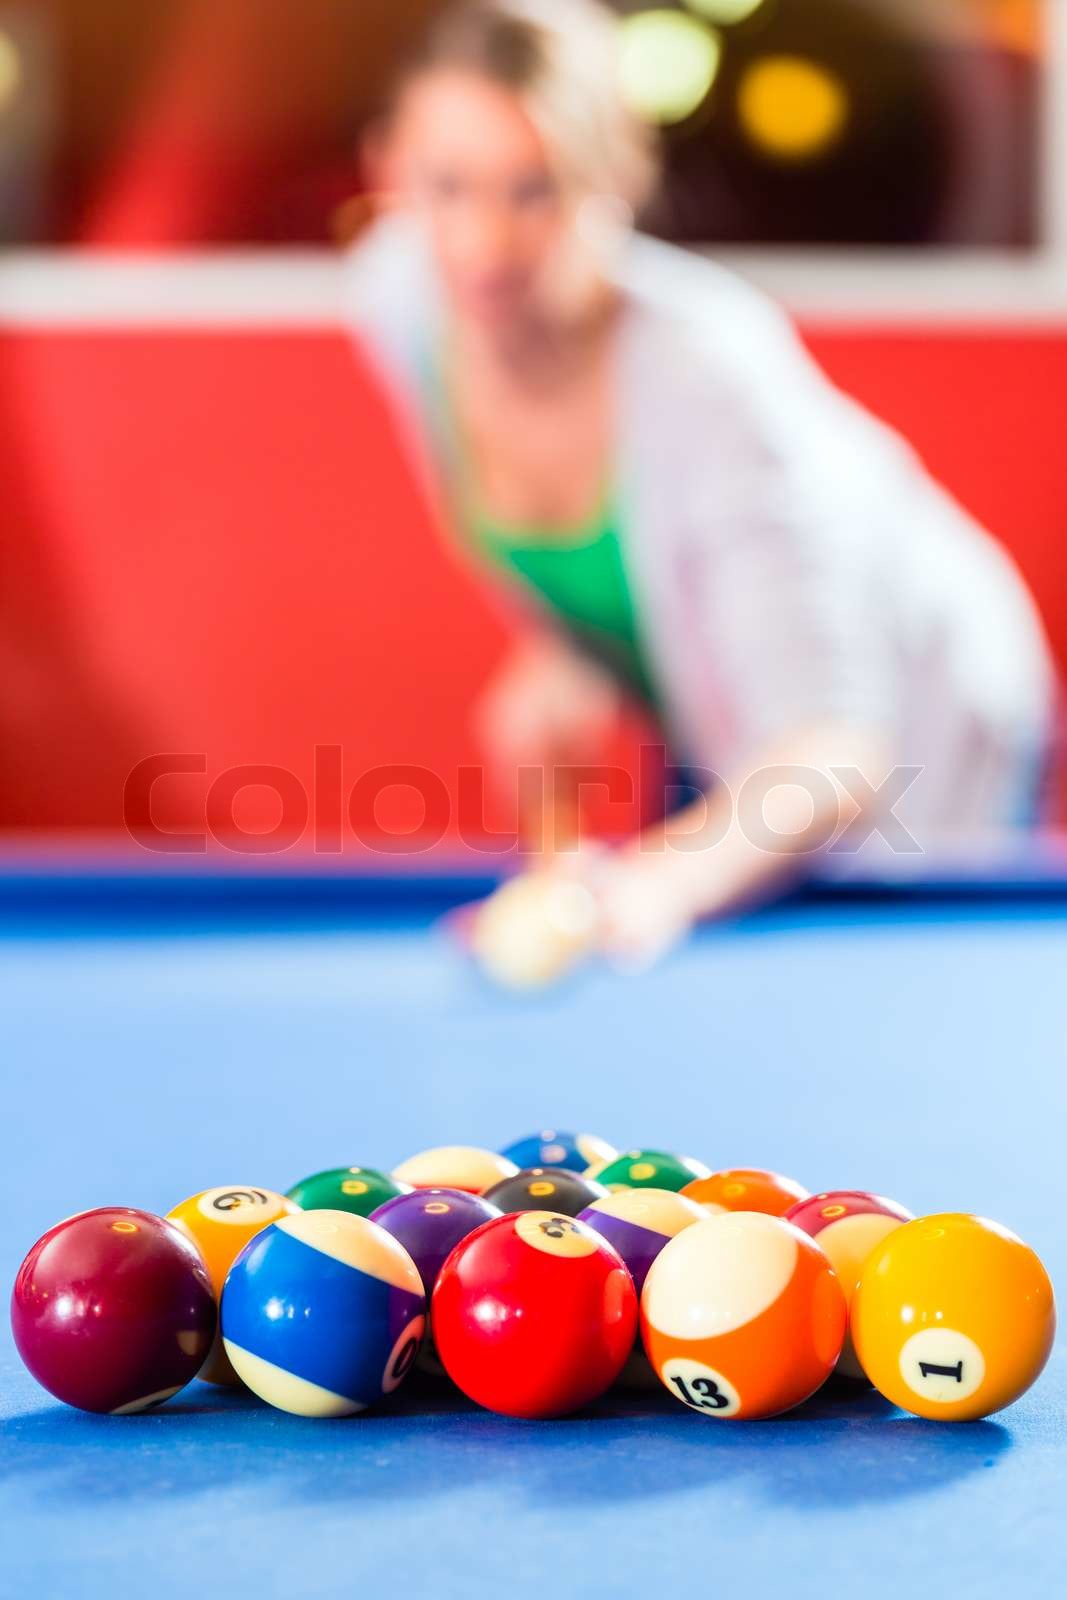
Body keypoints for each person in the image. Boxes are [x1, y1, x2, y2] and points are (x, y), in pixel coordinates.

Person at [343, 0, 1054, 972]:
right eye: (446, 187)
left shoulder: (709, 374)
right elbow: (616, 549)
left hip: (916, 724)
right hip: (731, 713)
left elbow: (836, 750)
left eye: (534, 190)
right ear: (386, 171)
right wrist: (575, 651)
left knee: (843, 1019)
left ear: (617, 181)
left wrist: (653, 884)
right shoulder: (398, 302)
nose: (483, 245)